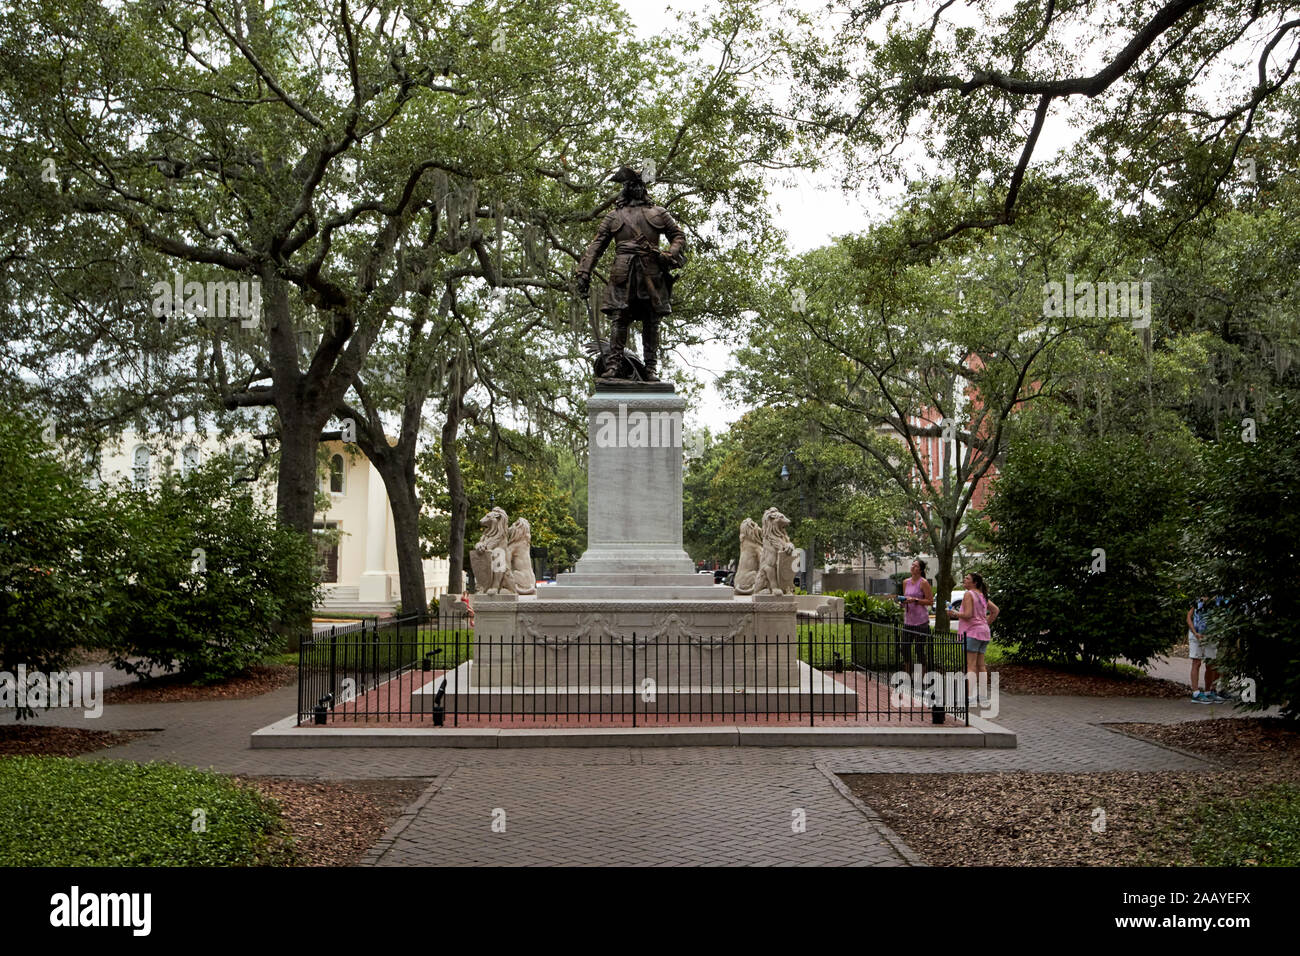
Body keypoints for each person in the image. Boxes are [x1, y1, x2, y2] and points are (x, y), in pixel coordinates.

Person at [573, 165, 686, 381]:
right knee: (619, 319)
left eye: (639, 184)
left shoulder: (658, 213)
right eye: (631, 184)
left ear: (644, 188)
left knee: (651, 321)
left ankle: (650, 368)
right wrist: (584, 272)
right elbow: (596, 246)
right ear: (625, 188)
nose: (635, 188)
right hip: (623, 273)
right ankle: (613, 365)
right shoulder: (613, 217)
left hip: (651, 272)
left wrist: (668, 255)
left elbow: (678, 236)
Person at [956, 572, 998, 705]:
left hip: (972, 633)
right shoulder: (982, 595)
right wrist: (985, 623)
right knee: (981, 665)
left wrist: (954, 613)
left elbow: (967, 615)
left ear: (974, 583)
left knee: (971, 665)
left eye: (967, 578)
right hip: (984, 632)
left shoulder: (969, 594)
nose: (964, 580)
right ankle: (983, 695)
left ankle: (971, 696)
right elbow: (995, 610)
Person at [1187, 595, 1226, 703]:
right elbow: (1188, 617)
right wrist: (1195, 633)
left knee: (1211, 664)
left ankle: (1208, 692)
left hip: (1211, 636)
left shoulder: (1218, 601)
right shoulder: (1197, 600)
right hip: (1196, 634)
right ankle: (1195, 693)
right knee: (1196, 662)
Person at [899, 559, 934, 672]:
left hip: (920, 621)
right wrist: (903, 603)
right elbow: (905, 598)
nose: (913, 567)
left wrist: (915, 600)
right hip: (908, 620)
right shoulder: (906, 582)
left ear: (920, 570)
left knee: (919, 650)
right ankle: (908, 675)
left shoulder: (923, 582)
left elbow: (930, 601)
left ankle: (923, 675)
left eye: (916, 566)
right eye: (912, 565)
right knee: (905, 648)